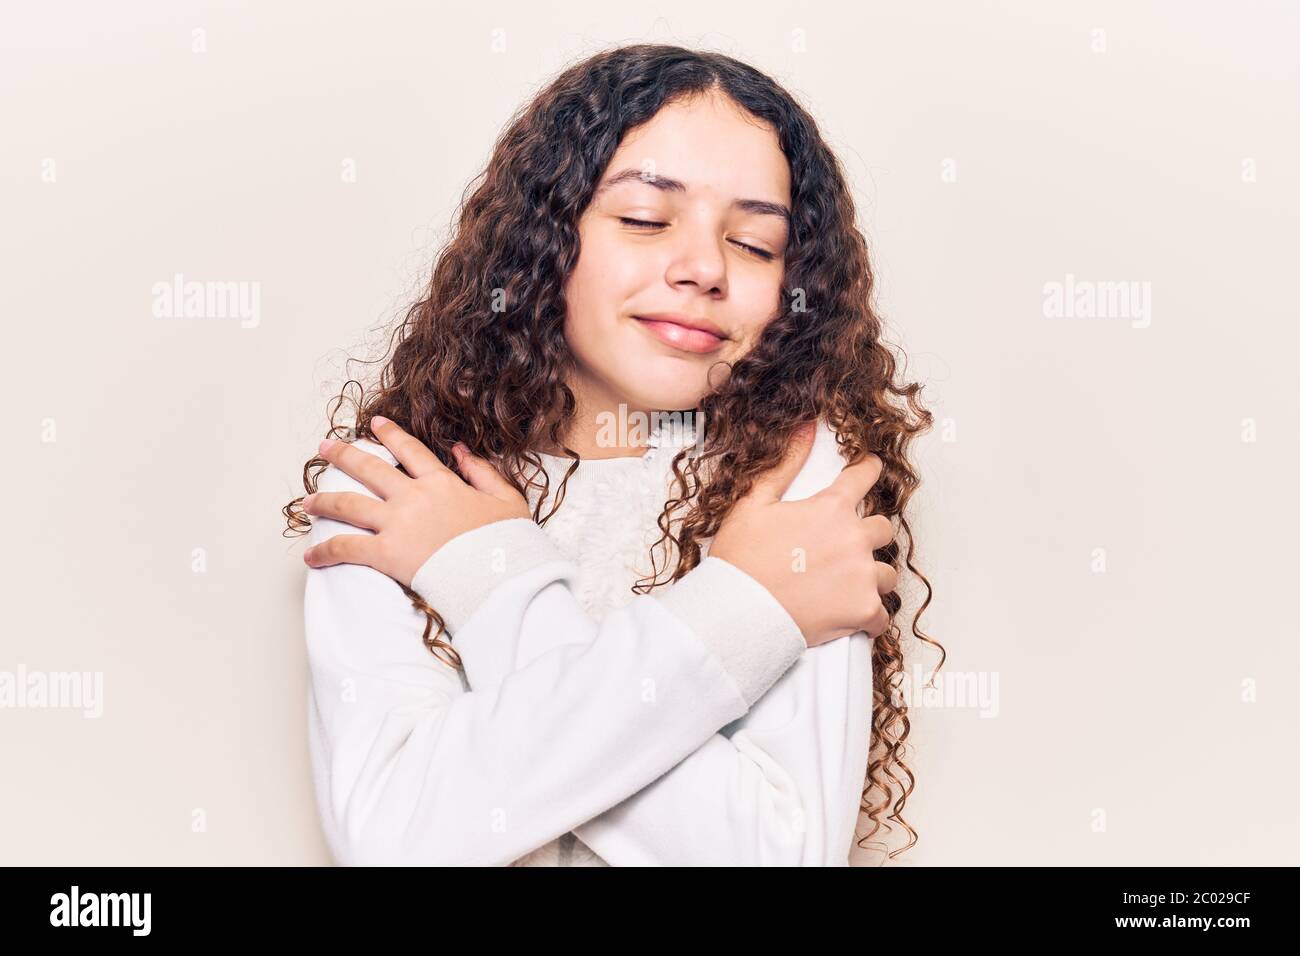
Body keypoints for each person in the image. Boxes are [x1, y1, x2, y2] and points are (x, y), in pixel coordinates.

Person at [283, 43, 941, 866]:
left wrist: (483, 577)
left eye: (755, 244)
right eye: (643, 220)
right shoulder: (401, 484)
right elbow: (397, 842)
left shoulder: (795, 482)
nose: (703, 269)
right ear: (544, 235)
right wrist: (744, 607)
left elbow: (774, 854)